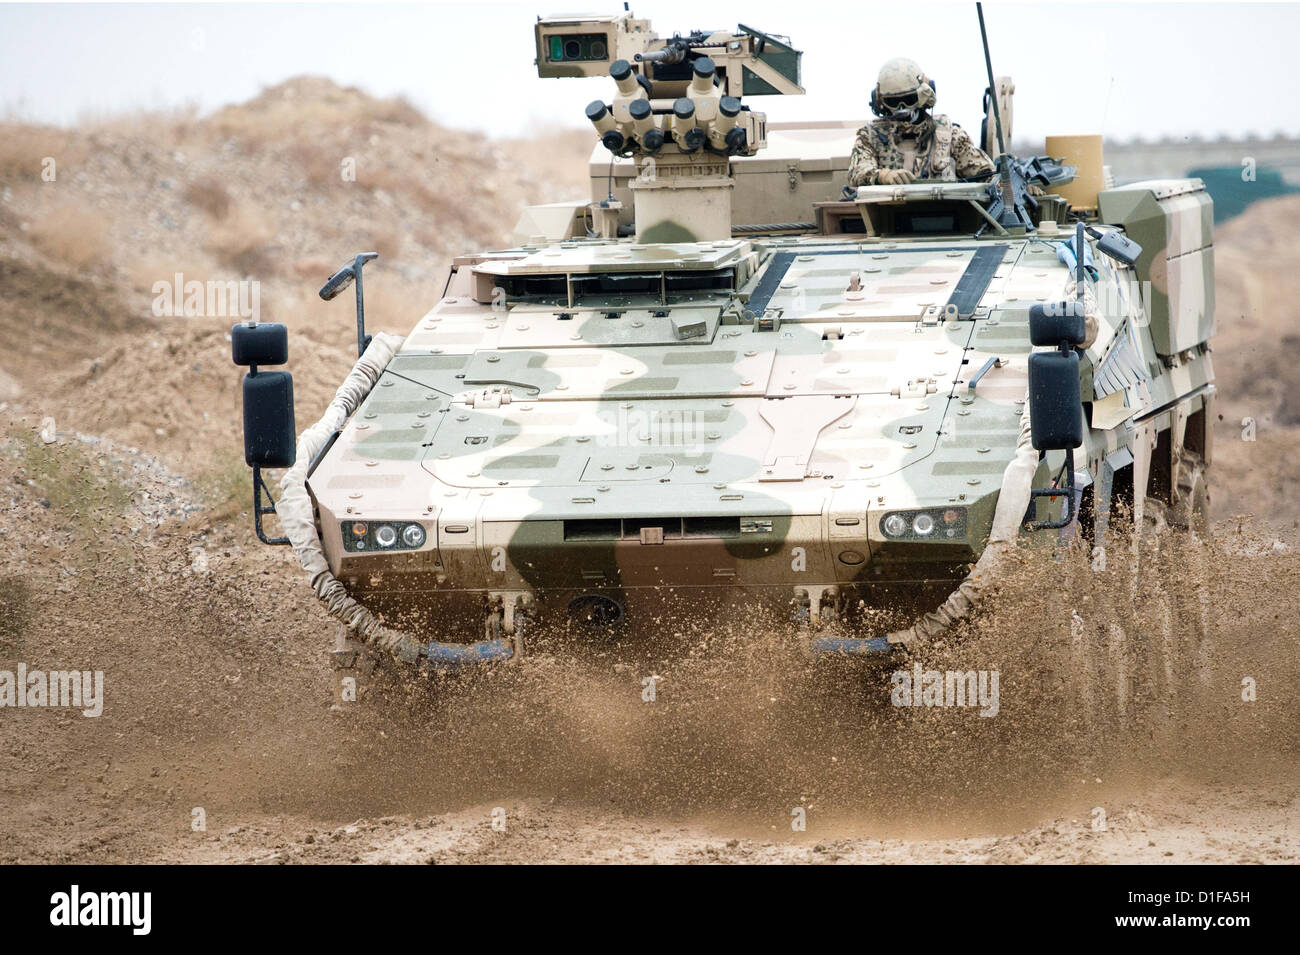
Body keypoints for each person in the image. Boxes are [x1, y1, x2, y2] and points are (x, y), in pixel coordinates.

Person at [848, 57, 995, 187]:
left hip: (946, 213)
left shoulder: (949, 135)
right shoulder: (870, 137)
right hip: (887, 215)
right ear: (880, 101)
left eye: (908, 100)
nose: (901, 108)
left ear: (923, 95)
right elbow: (858, 172)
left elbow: (986, 175)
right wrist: (883, 176)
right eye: (893, 102)